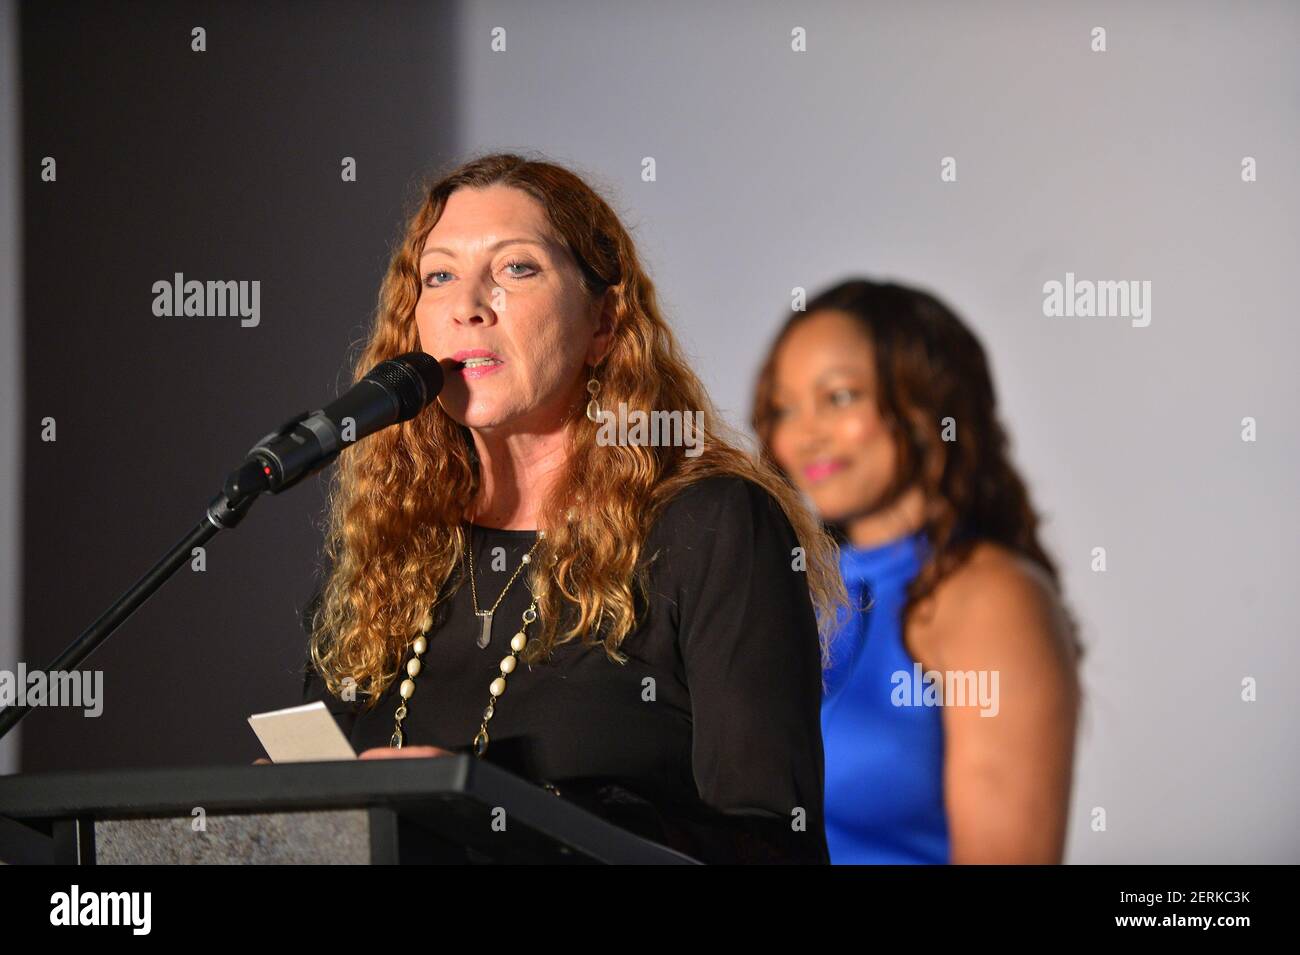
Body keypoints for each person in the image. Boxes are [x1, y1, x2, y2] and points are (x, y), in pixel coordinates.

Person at [298, 152, 848, 864]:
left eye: (516, 268)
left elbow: (775, 849)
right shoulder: (387, 548)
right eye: (439, 276)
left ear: (604, 323)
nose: (469, 303)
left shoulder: (712, 527)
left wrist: (503, 810)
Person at [751, 278, 1082, 864]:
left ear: (927, 406)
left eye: (840, 396)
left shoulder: (990, 598)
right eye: (783, 407)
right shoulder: (792, 584)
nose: (805, 433)